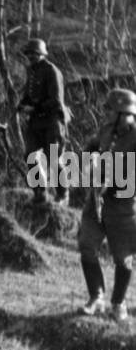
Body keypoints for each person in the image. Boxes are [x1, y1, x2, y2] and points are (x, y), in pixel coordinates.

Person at [77, 88, 136, 321]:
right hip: (97, 201)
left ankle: (118, 303)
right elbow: (92, 145)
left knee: (123, 258)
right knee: (86, 245)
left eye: (111, 110)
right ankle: (96, 297)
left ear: (125, 113)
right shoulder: (106, 130)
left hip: (122, 204)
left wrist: (111, 184)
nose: (107, 114)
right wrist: (85, 159)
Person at [17, 38, 71, 204]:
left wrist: (35, 108)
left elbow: (55, 100)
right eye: (29, 54)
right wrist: (21, 105)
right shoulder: (31, 71)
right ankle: (40, 192)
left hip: (53, 120)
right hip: (36, 121)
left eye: (34, 53)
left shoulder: (52, 71)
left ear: (42, 53)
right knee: (30, 155)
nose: (31, 56)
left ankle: (62, 194)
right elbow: (29, 94)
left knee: (53, 158)